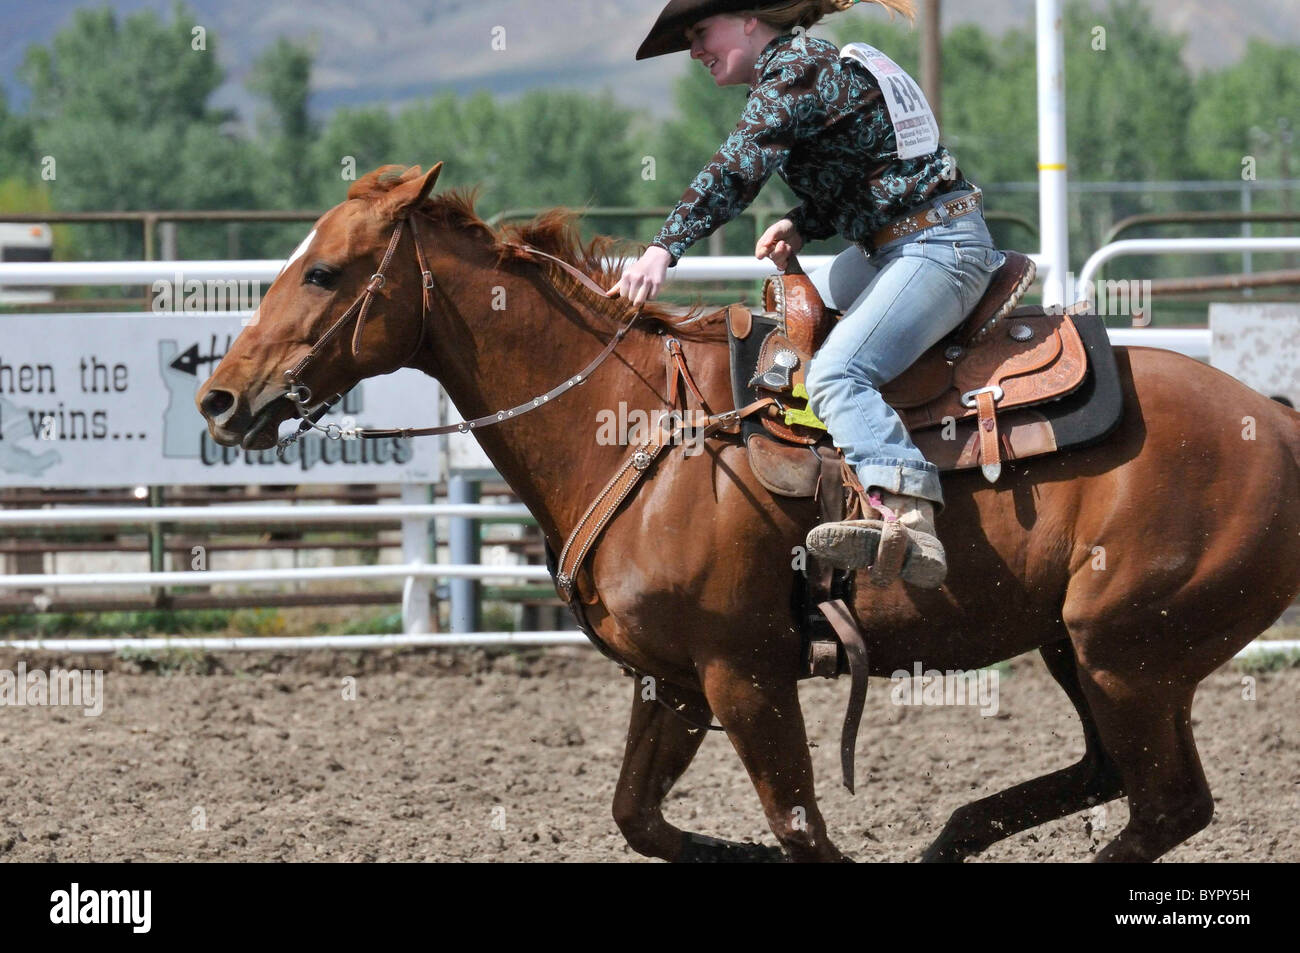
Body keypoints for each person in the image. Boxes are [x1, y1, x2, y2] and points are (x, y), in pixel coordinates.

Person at [607, 0, 1005, 588]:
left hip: (935, 247)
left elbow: (735, 169)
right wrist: (804, 221)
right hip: (901, 243)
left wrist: (665, 247)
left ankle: (910, 515)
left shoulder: (796, 68)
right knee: (786, 328)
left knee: (836, 373)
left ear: (748, 19)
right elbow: (870, 168)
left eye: (700, 32)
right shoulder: (806, 68)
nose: (694, 51)